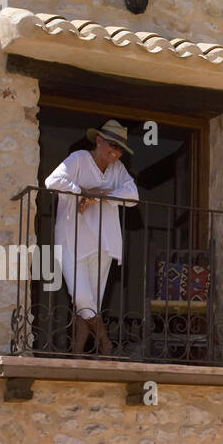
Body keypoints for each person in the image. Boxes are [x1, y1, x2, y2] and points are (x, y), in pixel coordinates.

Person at [44, 119, 139, 355]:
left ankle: (76, 354)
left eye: (119, 149)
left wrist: (100, 196)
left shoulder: (117, 170)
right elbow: (52, 181)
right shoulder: (79, 159)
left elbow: (133, 196)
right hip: (71, 239)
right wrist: (84, 192)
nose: (115, 152)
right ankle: (107, 346)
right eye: (111, 145)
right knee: (83, 297)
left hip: (104, 244)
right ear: (98, 140)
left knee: (87, 305)